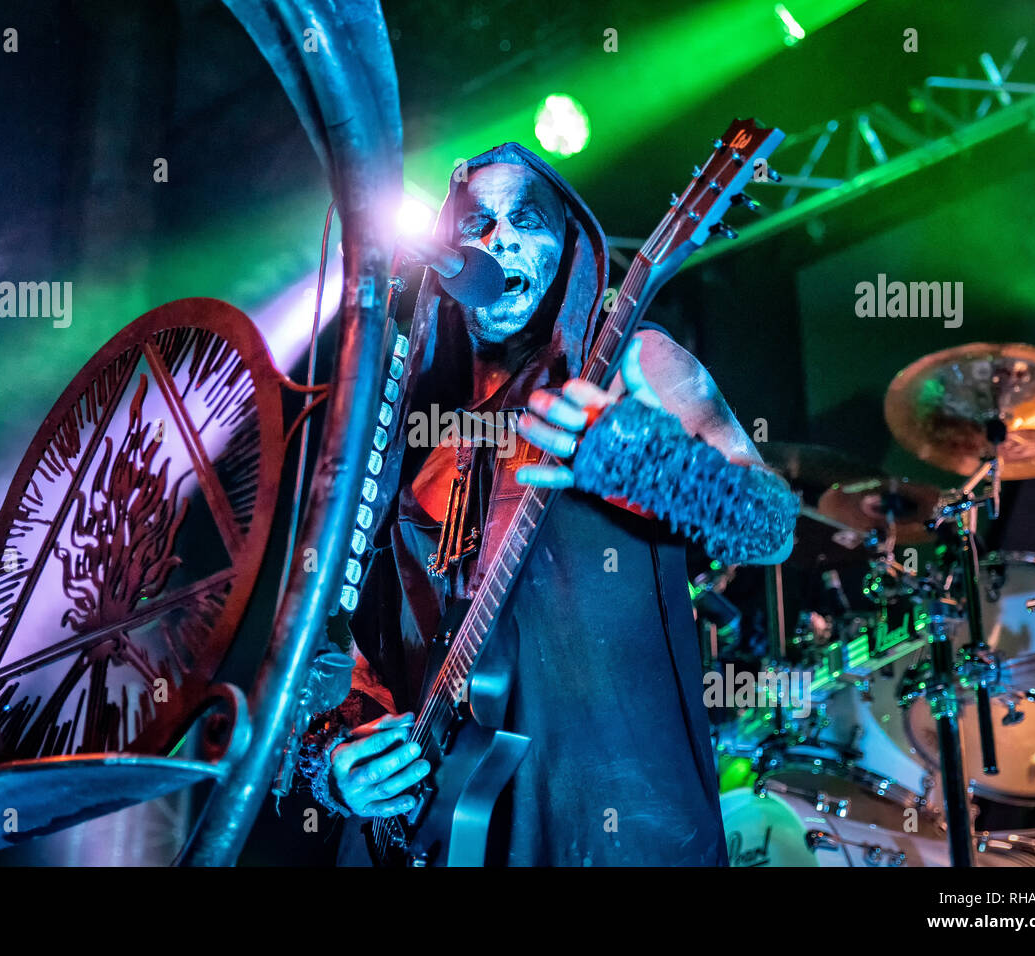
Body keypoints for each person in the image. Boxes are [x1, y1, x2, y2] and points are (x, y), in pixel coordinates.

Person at [296, 142, 796, 865]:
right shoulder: (402, 431)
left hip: (614, 823)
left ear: (568, 251)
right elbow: (337, 639)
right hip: (439, 835)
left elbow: (770, 526)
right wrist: (342, 752)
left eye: (527, 222)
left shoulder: (632, 367)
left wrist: (636, 457)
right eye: (478, 224)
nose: (499, 243)